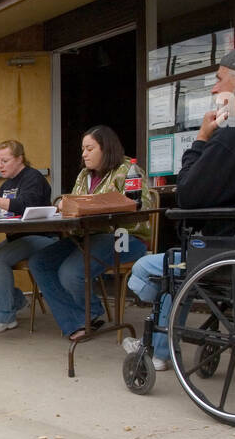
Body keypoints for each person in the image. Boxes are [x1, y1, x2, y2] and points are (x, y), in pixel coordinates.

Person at [124, 43, 235, 370]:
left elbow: (187, 194)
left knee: (153, 269)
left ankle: (157, 350)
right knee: (177, 267)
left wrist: (201, 138)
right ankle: (162, 345)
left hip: (231, 251)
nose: (214, 88)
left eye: (218, 79)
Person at [28, 125, 149, 340]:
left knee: (70, 271)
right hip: (86, 236)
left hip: (124, 238)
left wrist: (99, 208)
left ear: (106, 148)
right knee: (39, 261)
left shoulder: (127, 171)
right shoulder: (84, 175)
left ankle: (89, 314)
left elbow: (141, 209)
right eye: (83, 149)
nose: (84, 154)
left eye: (89, 148)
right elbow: (75, 204)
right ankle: (77, 319)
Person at [0, 140, 55, 332]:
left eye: (5, 161)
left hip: (41, 236)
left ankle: (6, 316)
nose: (0, 166)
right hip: (17, 239)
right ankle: (16, 300)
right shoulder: (5, 186)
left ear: (19, 159)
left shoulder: (33, 178)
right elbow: (6, 214)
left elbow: (26, 205)